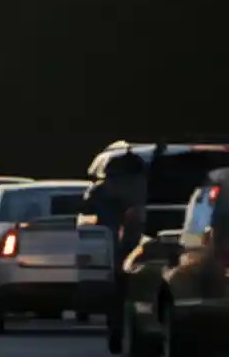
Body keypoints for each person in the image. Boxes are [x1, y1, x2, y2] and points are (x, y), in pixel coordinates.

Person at [83, 148, 148, 352]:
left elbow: (86, 211)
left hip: (124, 254)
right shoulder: (143, 190)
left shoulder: (103, 191)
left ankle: (119, 331)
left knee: (120, 295)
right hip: (127, 252)